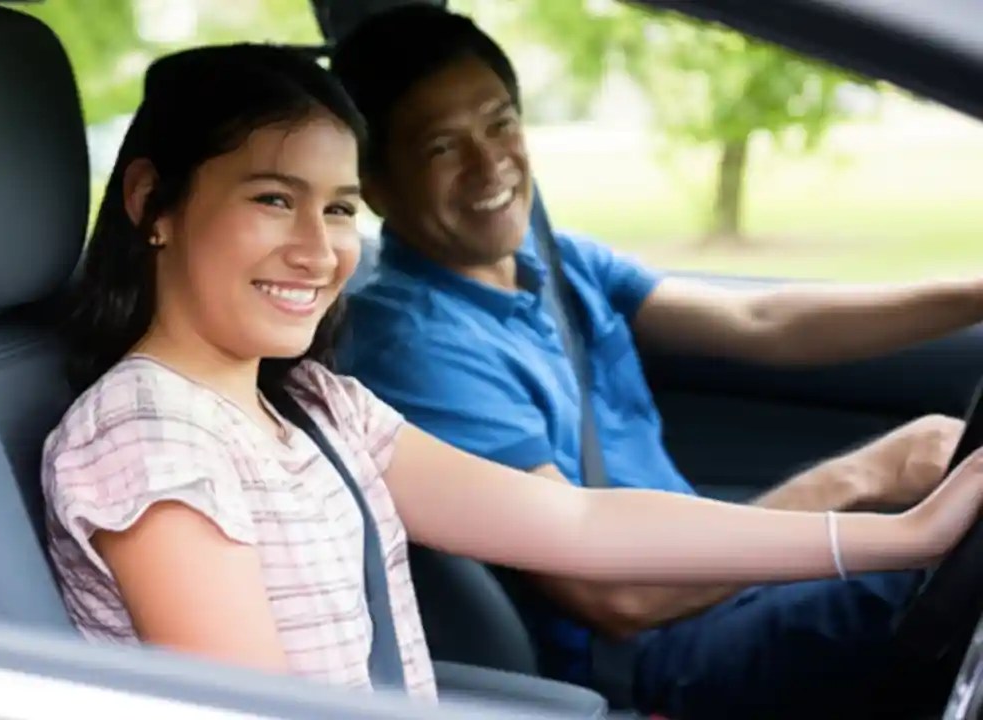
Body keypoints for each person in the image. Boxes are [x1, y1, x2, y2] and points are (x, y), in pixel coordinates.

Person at [41, 42, 983, 709]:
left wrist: (906, 535)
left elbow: (574, 522)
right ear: (152, 203)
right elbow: (261, 712)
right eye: (272, 199)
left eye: (338, 209)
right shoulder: (150, 439)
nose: (319, 251)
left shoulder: (314, 405)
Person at [328, 5, 982, 718]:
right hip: (653, 657)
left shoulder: (554, 261)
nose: (490, 164)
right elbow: (621, 597)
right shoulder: (417, 348)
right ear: (375, 185)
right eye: (441, 148)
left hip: (714, 588)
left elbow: (761, 322)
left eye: (500, 123)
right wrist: (860, 477)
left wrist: (975, 294)